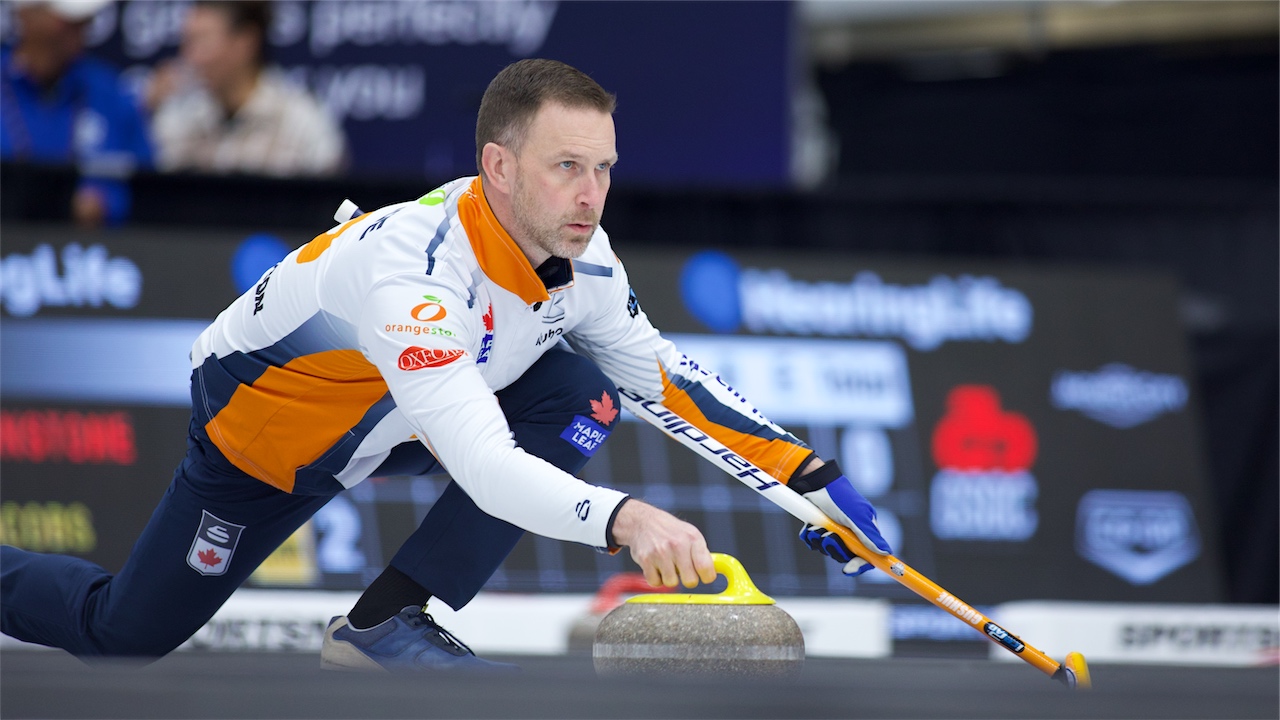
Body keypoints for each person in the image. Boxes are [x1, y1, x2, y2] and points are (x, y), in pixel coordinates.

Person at [0, 59, 891, 671]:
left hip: (406, 405)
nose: (592, 196)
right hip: (272, 438)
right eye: (568, 167)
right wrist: (628, 522)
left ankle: (384, 622)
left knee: (585, 395)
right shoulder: (412, 274)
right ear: (497, 167)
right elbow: (488, 469)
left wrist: (812, 479)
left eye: (605, 169)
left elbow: (663, 380)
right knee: (123, 637)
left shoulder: (581, 255)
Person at [147, 1, 345, 177]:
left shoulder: (302, 123)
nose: (191, 57)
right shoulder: (178, 121)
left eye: (202, 41)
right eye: (188, 42)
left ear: (246, 42)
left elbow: (328, 207)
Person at [0, 0, 153, 227]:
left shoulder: (110, 93)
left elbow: (148, 187)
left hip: (92, 253)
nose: (82, 26)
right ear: (26, 17)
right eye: (65, 21)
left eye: (83, 20)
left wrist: (105, 204)